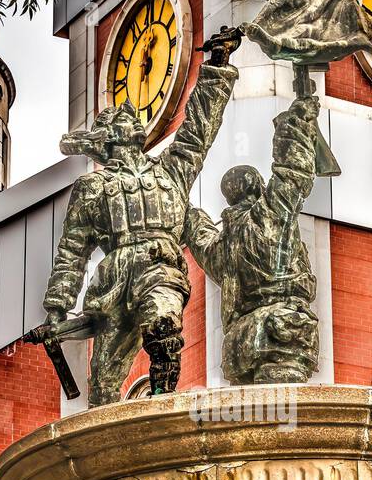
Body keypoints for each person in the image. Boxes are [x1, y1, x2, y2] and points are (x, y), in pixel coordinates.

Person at [43, 38, 241, 405]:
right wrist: (57, 305)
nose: (131, 116)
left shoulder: (172, 169)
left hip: (158, 266)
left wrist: (216, 64)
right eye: (119, 118)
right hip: (114, 280)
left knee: (163, 326)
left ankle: (163, 404)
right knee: (103, 386)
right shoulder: (92, 187)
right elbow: (72, 250)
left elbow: (197, 130)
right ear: (104, 139)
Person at [186, 90, 320, 385]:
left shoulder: (221, 247)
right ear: (259, 186)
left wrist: (172, 193)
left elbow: (196, 228)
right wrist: (298, 121)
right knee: (287, 420)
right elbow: (292, 174)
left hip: (239, 343)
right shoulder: (270, 216)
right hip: (282, 334)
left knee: (252, 420)